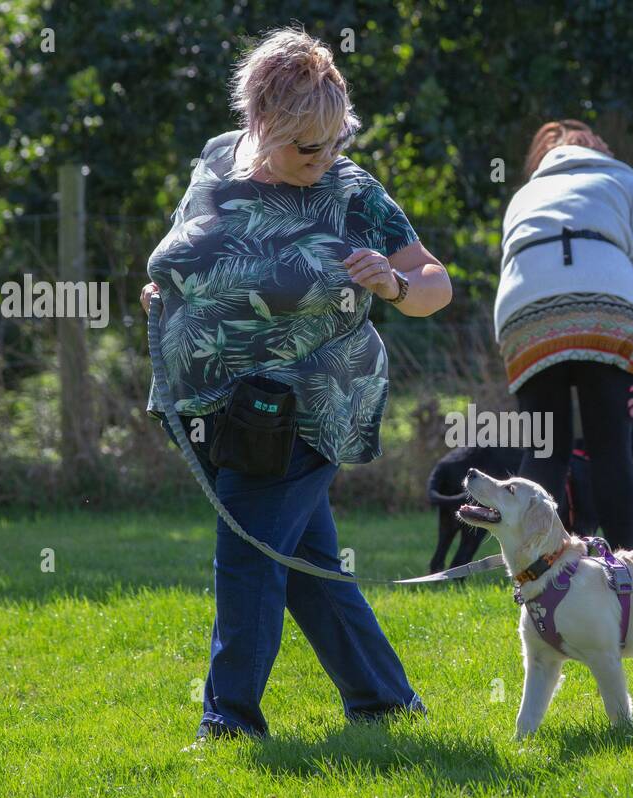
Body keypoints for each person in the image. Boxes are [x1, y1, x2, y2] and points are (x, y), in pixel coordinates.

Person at [140, 27, 452, 743]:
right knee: (307, 564)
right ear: (260, 124)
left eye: (335, 141)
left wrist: (398, 284)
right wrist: (162, 289)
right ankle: (385, 703)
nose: (325, 158)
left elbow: (437, 283)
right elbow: (188, 251)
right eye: (307, 145)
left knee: (247, 555)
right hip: (210, 404)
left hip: (303, 407)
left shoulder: (350, 191)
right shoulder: (215, 162)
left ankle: (229, 723)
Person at [494, 120, 633, 550]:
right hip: (608, 309)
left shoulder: (524, 194)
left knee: (544, 450)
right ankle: (624, 575)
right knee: (611, 448)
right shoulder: (622, 177)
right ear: (598, 149)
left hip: (525, 315)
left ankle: (535, 577)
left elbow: (510, 273)